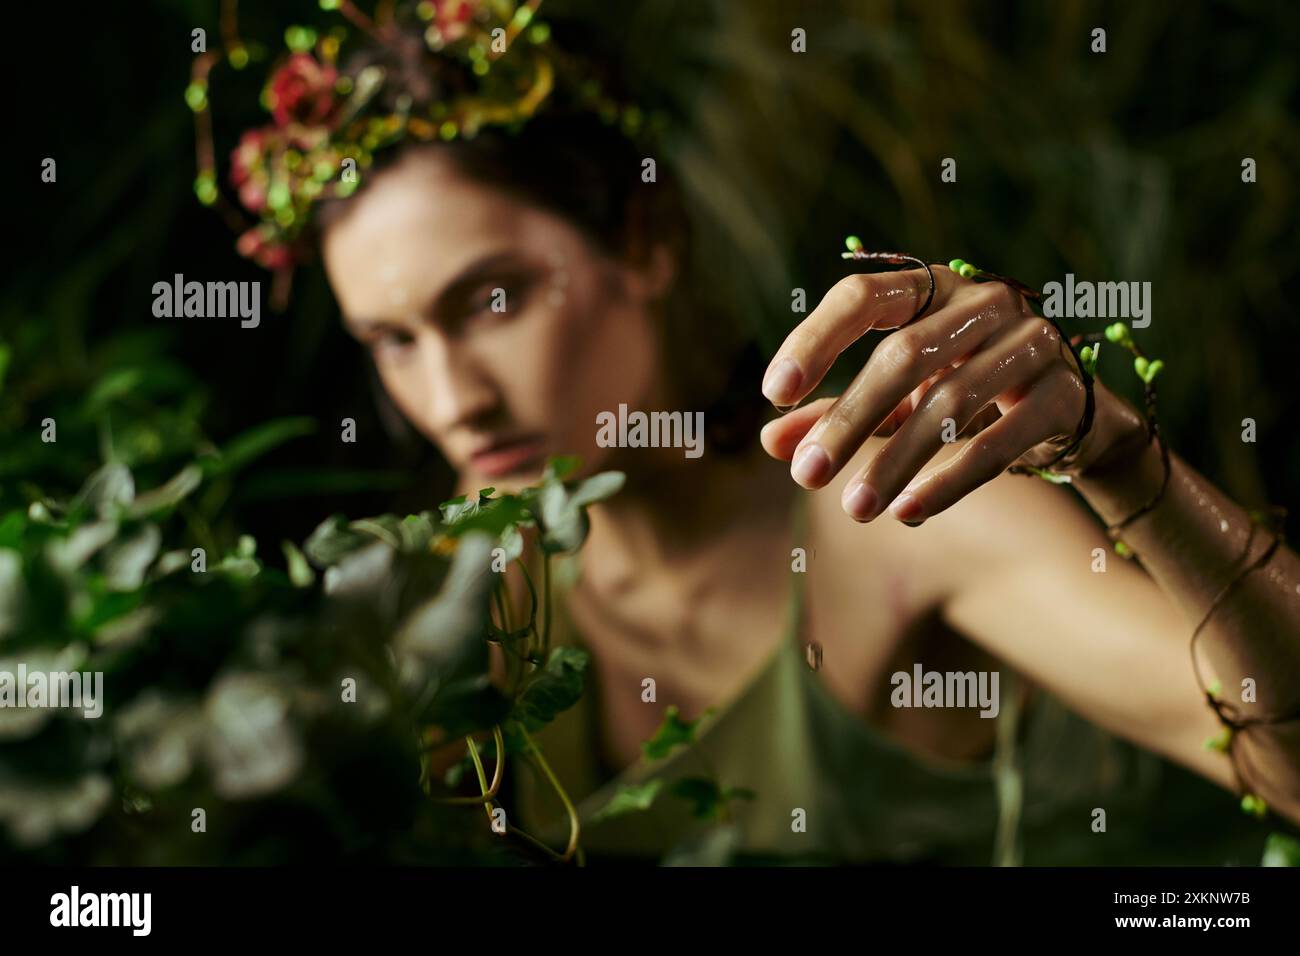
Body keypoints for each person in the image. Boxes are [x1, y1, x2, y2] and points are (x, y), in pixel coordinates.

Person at [206, 0, 1300, 864]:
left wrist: (1113, 454)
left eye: (490, 301)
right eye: (392, 339)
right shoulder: (455, 606)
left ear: (644, 242)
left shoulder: (888, 509)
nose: (452, 397)